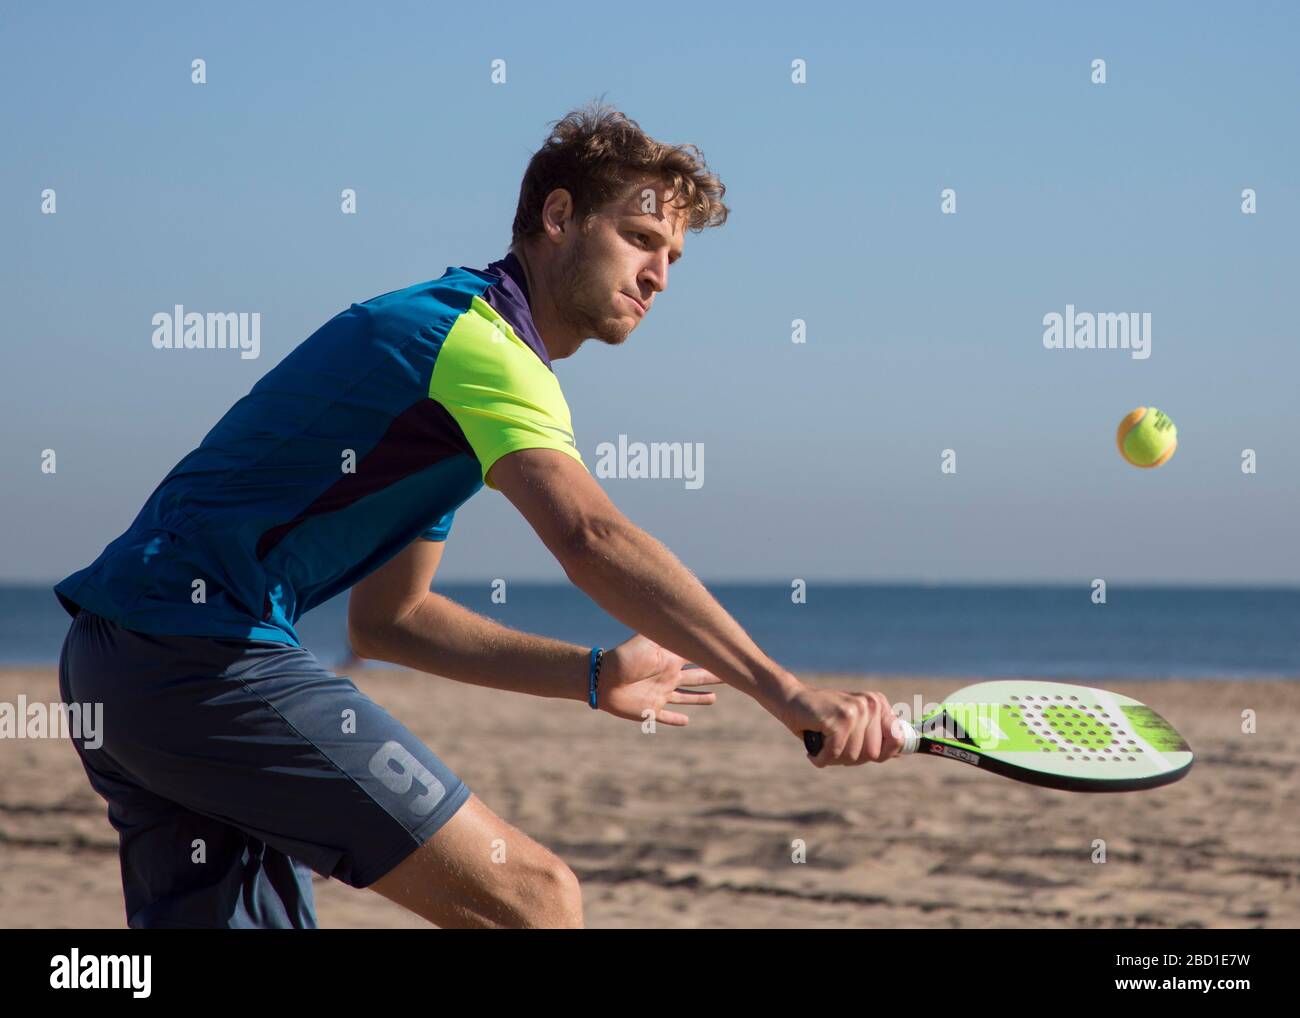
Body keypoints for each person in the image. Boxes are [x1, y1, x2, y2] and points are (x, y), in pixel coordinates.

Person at [54, 101, 904, 929]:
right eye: (641, 239)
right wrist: (787, 693)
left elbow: (393, 620)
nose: (658, 276)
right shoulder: (476, 344)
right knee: (535, 900)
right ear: (559, 216)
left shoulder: (446, 357)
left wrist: (594, 675)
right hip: (196, 655)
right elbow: (592, 537)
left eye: (675, 257)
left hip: (115, 663)